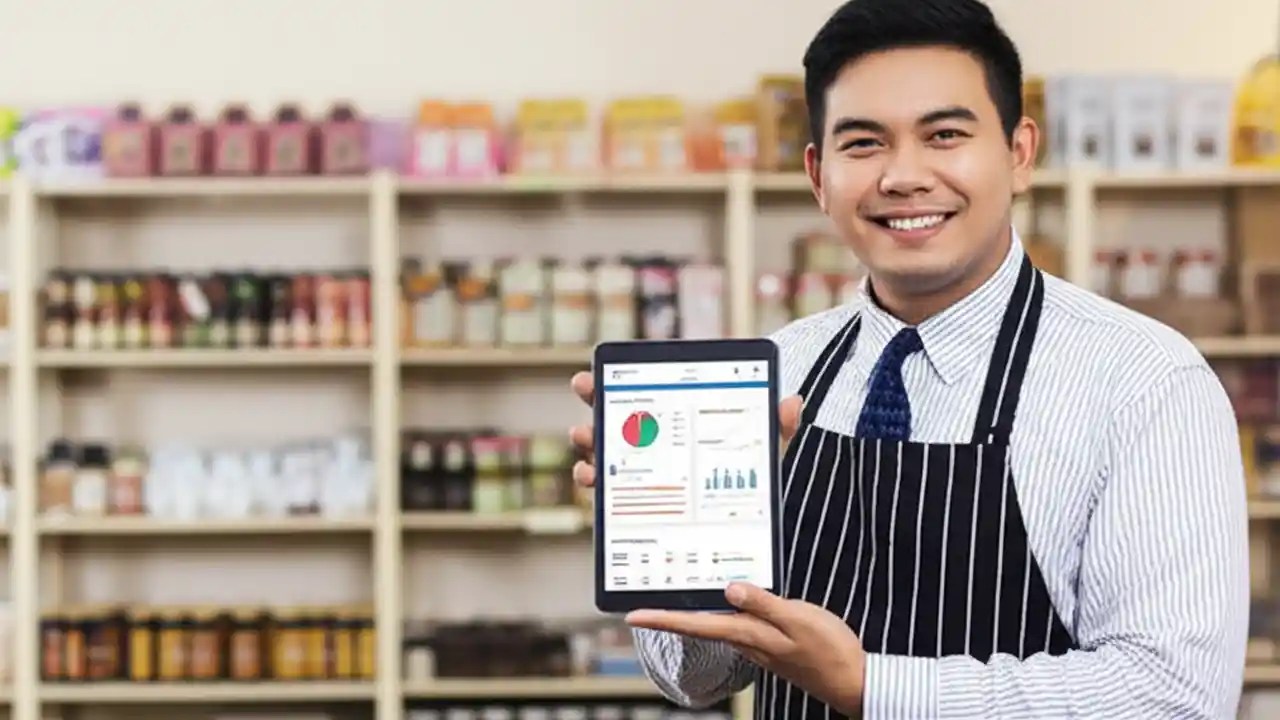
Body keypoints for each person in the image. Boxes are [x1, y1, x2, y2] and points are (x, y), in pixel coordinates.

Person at [569, 0, 1250, 716]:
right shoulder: (782, 367)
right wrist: (671, 536)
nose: (904, 175)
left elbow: (1172, 698)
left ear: (1019, 153)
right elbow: (697, 679)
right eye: (863, 144)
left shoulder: (1142, 382)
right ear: (817, 176)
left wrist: (870, 687)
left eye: (945, 134)